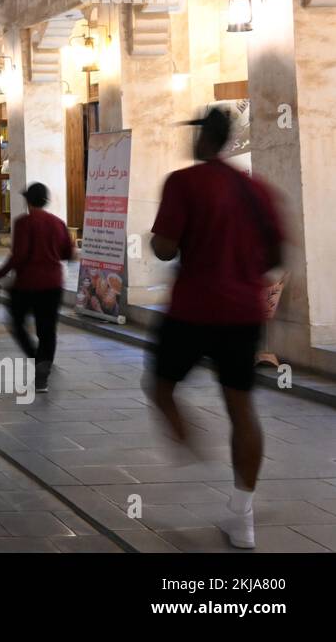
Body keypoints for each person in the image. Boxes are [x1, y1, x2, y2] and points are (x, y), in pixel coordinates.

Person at [149, 107, 284, 551]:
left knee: (161, 387)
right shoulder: (256, 190)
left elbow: (165, 249)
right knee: (242, 408)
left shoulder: (183, 183)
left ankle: (189, 443)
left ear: (206, 138)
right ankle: (242, 516)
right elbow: (276, 255)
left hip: (193, 309)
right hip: (243, 313)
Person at [0, 182, 75, 393]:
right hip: (53, 285)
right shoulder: (58, 223)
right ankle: (43, 371)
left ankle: (36, 358)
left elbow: (19, 257)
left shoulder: (24, 223)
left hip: (27, 285)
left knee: (16, 323)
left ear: (28, 200)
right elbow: (67, 254)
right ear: (46, 201)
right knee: (47, 330)